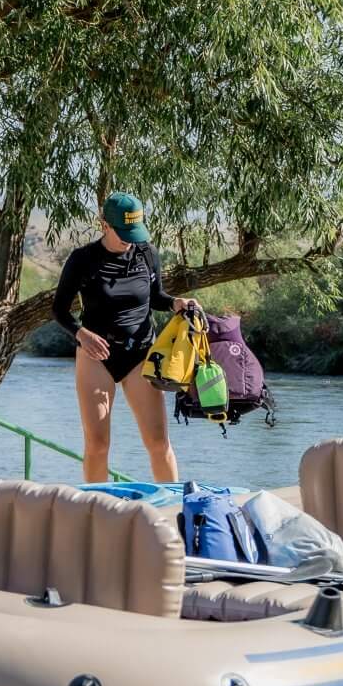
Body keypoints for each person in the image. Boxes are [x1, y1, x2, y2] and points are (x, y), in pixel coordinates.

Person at [51, 191, 199, 483]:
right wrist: (81, 334)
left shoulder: (146, 253)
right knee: (98, 445)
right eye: (123, 232)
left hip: (140, 355)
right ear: (104, 224)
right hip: (97, 356)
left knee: (158, 443)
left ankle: (173, 510)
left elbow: (156, 297)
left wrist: (175, 303)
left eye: (134, 232)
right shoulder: (83, 259)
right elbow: (59, 309)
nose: (129, 239)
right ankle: (96, 513)